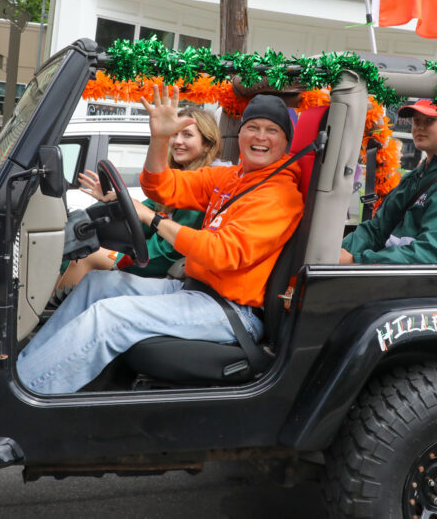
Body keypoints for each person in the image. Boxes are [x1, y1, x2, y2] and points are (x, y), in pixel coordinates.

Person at [17, 89, 304, 394]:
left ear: (286, 143)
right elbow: (160, 186)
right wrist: (160, 139)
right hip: (194, 290)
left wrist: (153, 220)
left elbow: (222, 254)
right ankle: (21, 373)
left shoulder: (278, 195)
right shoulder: (231, 179)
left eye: (272, 130)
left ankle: (25, 396)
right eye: (253, 127)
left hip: (230, 311)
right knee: (96, 284)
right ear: (241, 134)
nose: (261, 136)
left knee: (109, 316)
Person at [55, 106, 220, 291]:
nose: (177, 141)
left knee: (85, 256)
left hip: (168, 268)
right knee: (80, 244)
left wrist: (121, 257)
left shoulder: (202, 185)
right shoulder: (175, 179)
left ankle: (55, 312)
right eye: (174, 134)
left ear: (207, 144)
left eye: (187, 135)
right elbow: (142, 213)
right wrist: (113, 200)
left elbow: (170, 250)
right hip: (155, 258)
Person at [340, 99, 437, 265]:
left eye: (430, 120)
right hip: (399, 272)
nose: (419, 127)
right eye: (416, 121)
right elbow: (377, 229)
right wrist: (336, 252)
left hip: (432, 281)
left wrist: (356, 260)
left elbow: (431, 252)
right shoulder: (419, 174)